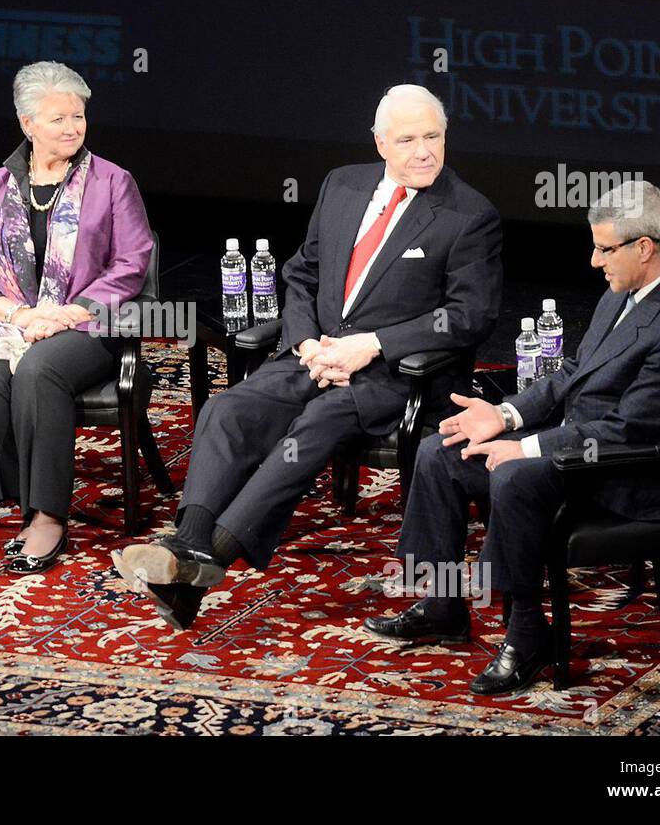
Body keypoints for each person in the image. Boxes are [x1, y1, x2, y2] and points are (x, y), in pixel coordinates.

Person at [113, 84, 503, 629]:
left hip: (397, 376)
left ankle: (209, 562)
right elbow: (301, 272)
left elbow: (469, 316)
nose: (423, 151)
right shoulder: (343, 185)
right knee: (228, 410)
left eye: (433, 137)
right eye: (408, 139)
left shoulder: (468, 214)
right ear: (380, 143)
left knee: (313, 426)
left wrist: (371, 346)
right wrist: (307, 343)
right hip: (316, 352)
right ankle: (191, 543)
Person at [364, 180, 660, 696]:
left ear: (644, 247)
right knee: (439, 450)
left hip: (630, 474)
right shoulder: (629, 291)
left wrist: (526, 447)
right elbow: (574, 372)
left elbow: (627, 432)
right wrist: (505, 416)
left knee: (514, 475)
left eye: (604, 248)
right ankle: (442, 603)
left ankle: (527, 633)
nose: (594, 260)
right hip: (584, 445)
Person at [0, 61, 154, 574]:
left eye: (78, 117)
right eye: (58, 119)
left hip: (85, 322)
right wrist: (16, 312)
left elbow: (132, 263)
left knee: (39, 371)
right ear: (27, 124)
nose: (71, 128)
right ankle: (15, 492)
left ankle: (46, 515)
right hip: (11, 317)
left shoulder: (112, 182)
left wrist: (63, 315)